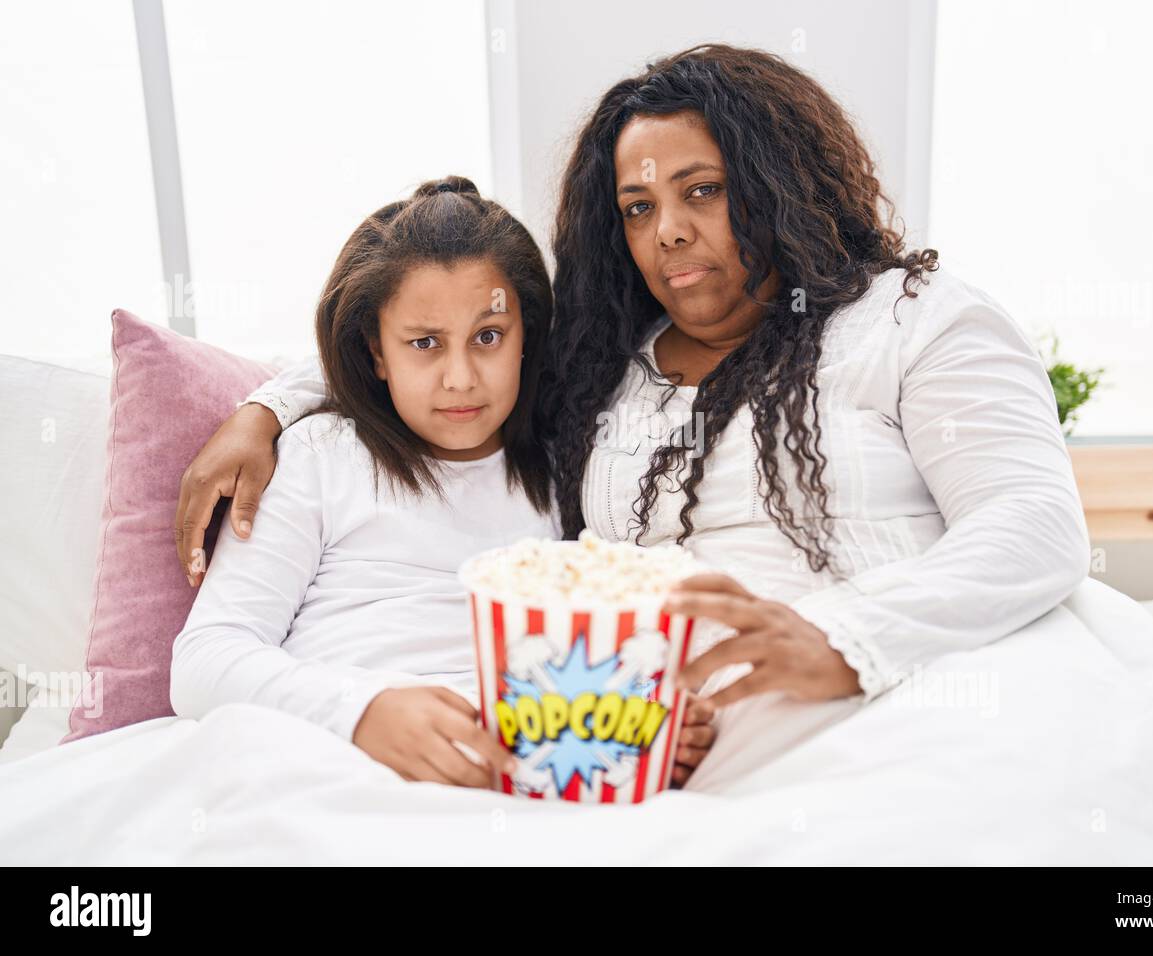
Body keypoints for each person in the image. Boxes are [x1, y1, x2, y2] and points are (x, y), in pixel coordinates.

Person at [176, 46, 1089, 761]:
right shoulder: (604, 366)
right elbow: (442, 332)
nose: (670, 232)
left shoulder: (914, 320)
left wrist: (846, 640)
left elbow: (1036, 522)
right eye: (638, 207)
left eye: (703, 191)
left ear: (780, 184)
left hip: (904, 700)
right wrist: (269, 407)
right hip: (669, 759)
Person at [171, 176, 717, 788]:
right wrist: (362, 711)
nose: (460, 378)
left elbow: (582, 661)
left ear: (527, 337)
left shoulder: (572, 465)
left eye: (488, 337)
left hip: (509, 772)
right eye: (425, 343)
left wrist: (643, 717)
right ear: (377, 352)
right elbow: (203, 661)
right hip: (338, 759)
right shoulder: (320, 455)